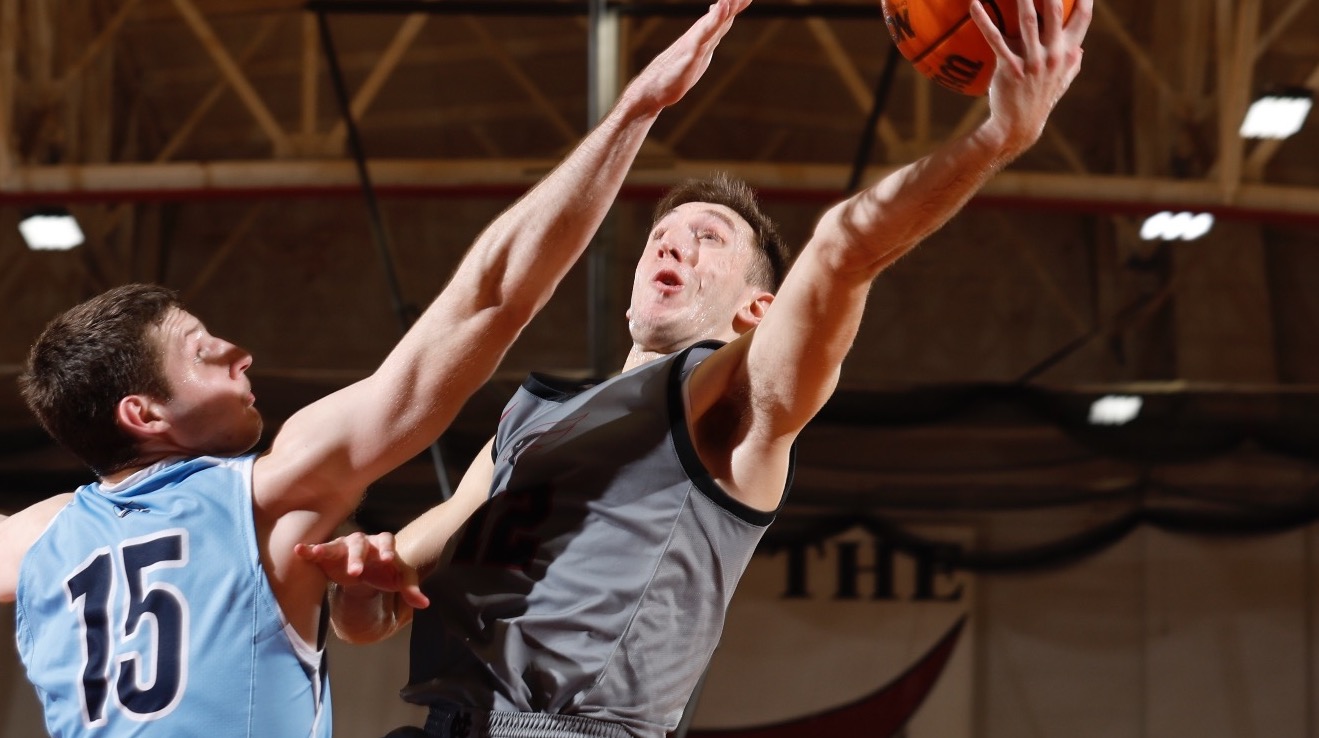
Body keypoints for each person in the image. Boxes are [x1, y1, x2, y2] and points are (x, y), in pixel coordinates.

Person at [299, 1, 1094, 736]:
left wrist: (994, 140)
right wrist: (364, 579)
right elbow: (369, 615)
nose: (672, 242)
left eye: (709, 237)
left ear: (757, 309)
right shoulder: (525, 422)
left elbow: (844, 251)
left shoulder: (735, 408)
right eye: (662, 233)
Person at [0, 2, 752, 735]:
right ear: (143, 415)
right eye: (203, 350)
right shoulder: (268, 492)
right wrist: (634, 113)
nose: (240, 352)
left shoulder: (38, 540)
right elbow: (488, 300)